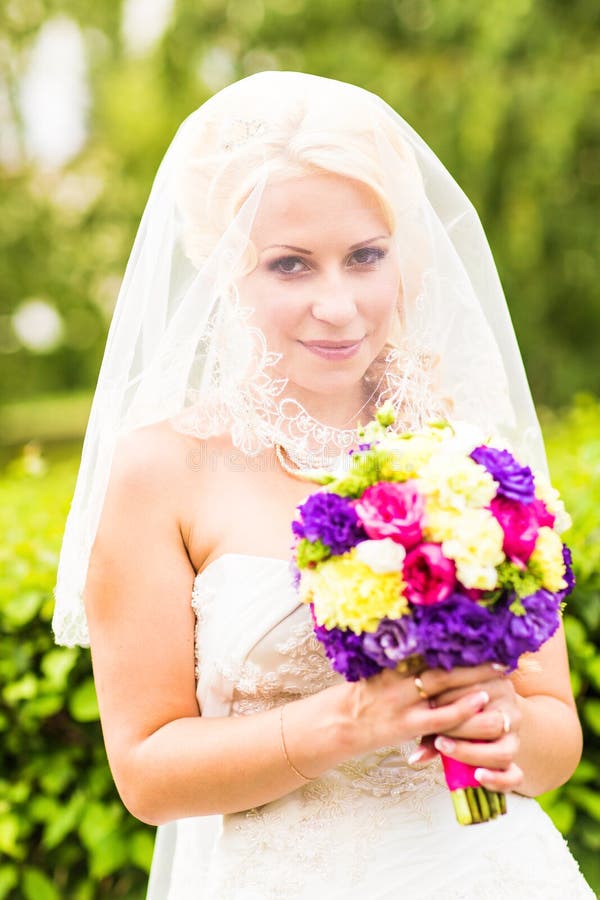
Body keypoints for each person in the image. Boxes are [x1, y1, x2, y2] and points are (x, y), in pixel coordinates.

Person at [53, 72, 594, 899]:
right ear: (225, 270)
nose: (337, 306)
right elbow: (147, 773)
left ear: (405, 255)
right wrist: (346, 723)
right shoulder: (162, 469)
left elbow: (554, 731)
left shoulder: (466, 455)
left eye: (365, 256)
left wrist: (503, 727)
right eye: (291, 265)